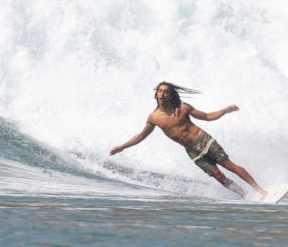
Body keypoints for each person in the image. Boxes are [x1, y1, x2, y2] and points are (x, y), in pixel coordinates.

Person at [110, 81, 266, 199]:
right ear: (156, 94)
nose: (162, 94)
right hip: (191, 151)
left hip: (203, 140)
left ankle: (260, 190)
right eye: (160, 91)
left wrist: (225, 110)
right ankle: (245, 195)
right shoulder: (154, 117)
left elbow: (206, 117)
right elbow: (141, 135)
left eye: (165, 92)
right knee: (219, 176)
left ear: (171, 95)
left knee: (228, 165)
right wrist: (122, 147)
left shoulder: (183, 108)